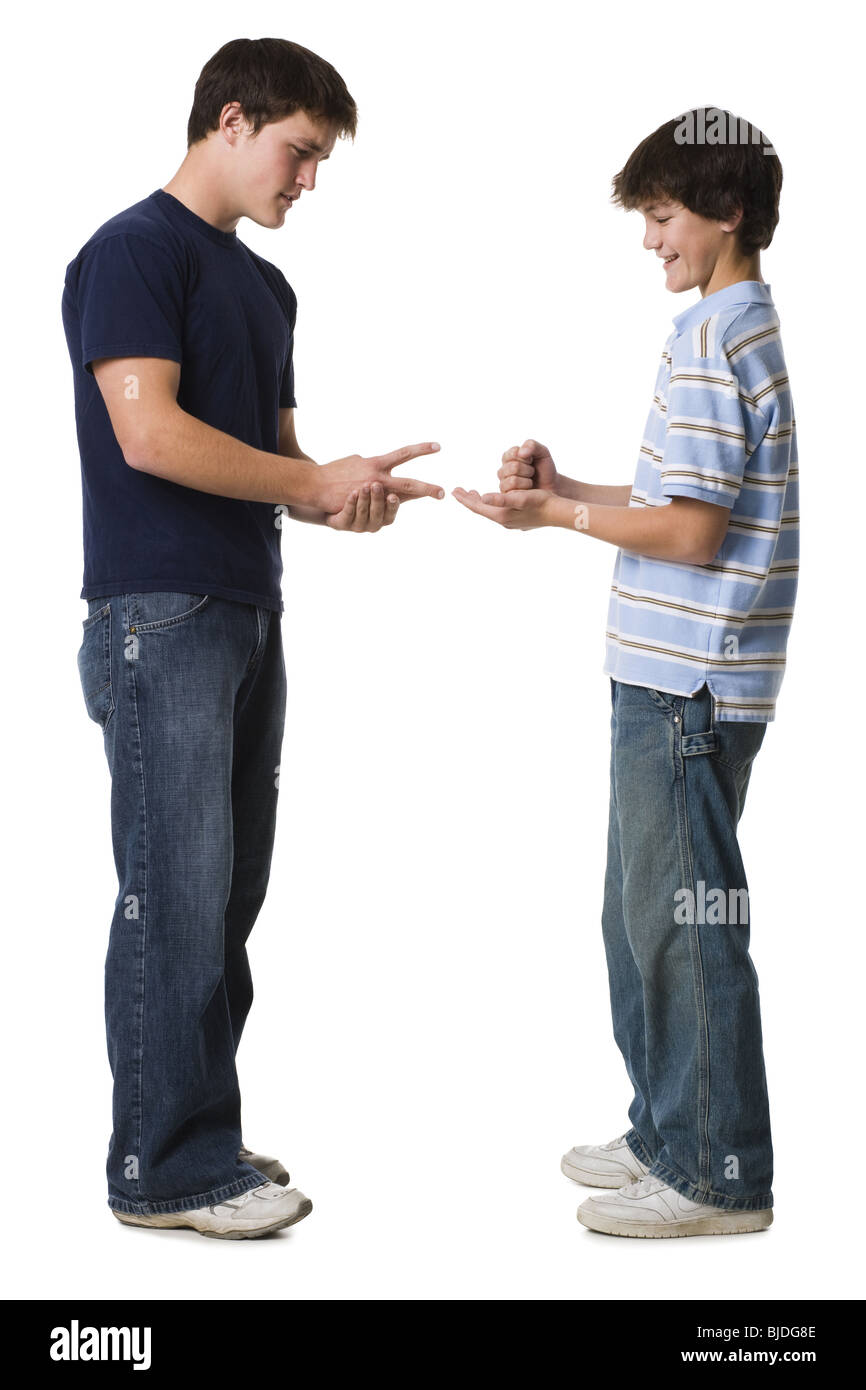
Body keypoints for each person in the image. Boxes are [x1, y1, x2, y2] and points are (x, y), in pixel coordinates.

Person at [62, 36, 442, 1240]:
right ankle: (164, 1166)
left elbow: (276, 461)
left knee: (224, 896)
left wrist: (341, 496)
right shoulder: (129, 252)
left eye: (319, 162)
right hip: (155, 613)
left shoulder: (266, 288)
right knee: (171, 894)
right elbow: (152, 438)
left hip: (246, 607)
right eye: (298, 153)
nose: (307, 182)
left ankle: (198, 1129)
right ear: (230, 121)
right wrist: (304, 476)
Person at [453, 107, 797, 1237]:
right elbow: (680, 508)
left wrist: (554, 514)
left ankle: (714, 1172)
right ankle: (665, 1126)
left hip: (684, 687)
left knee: (684, 922)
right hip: (673, 680)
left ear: (725, 212)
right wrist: (571, 490)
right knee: (639, 914)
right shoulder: (732, 327)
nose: (649, 239)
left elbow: (691, 536)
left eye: (660, 216)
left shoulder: (712, 338)